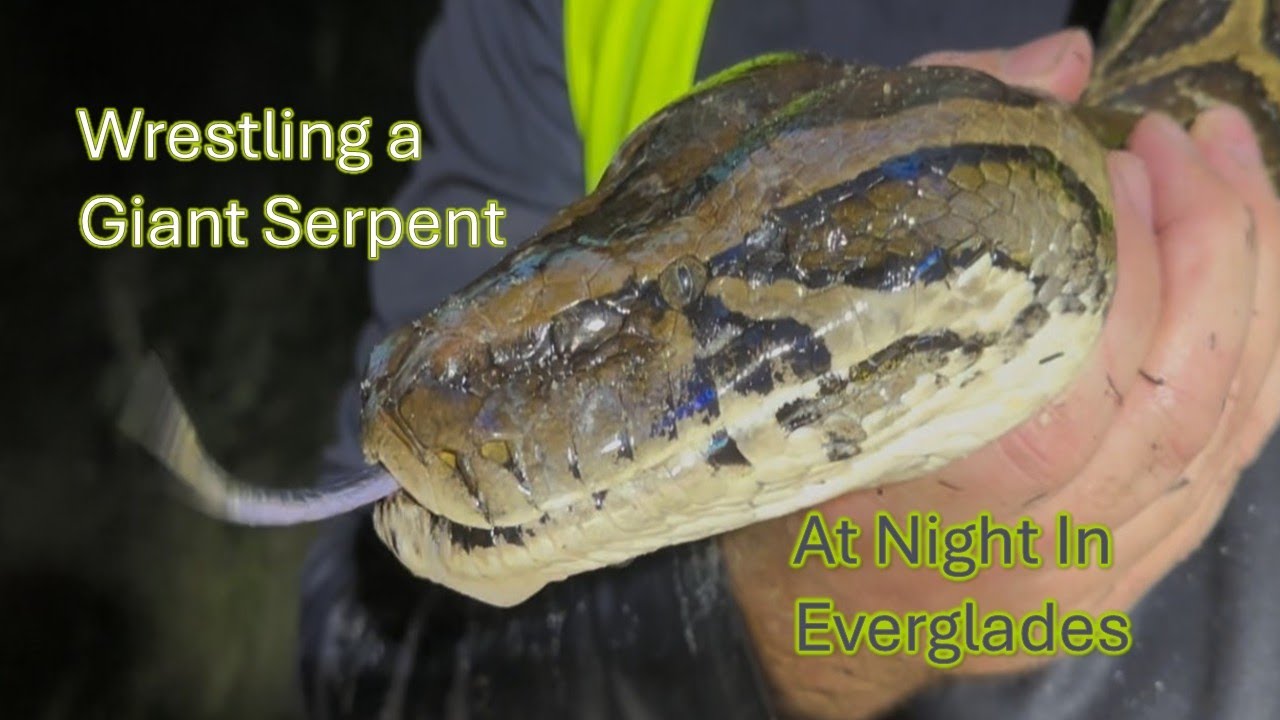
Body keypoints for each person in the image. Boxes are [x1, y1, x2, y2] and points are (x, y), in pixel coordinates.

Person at [299, 1, 1280, 718]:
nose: (457, 396)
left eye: (685, 309)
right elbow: (368, 664)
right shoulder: (549, 27)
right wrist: (789, 618)